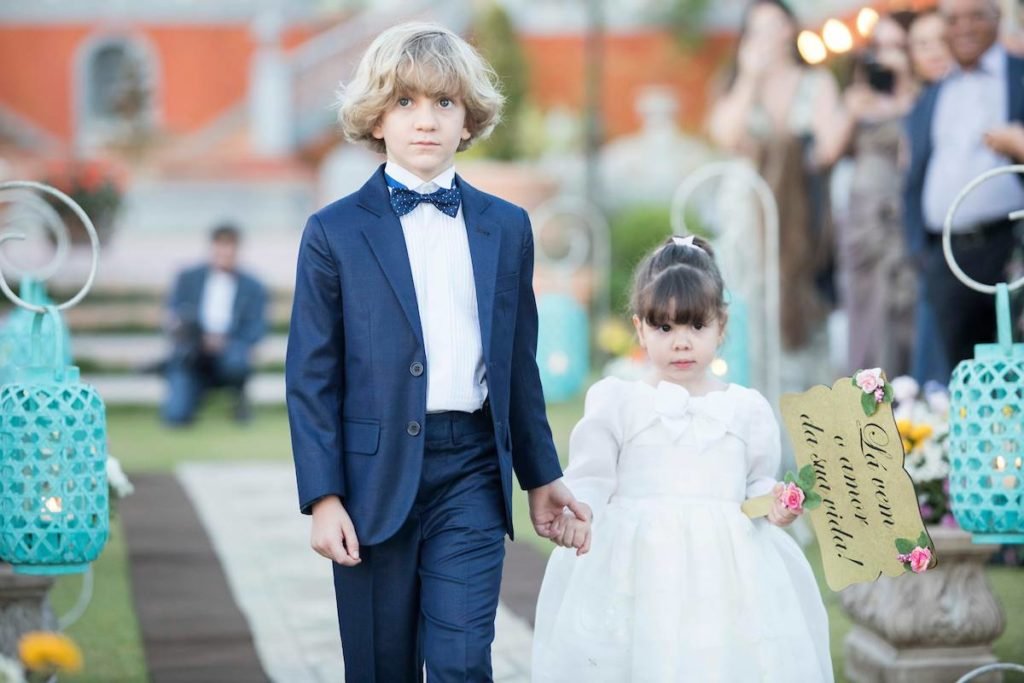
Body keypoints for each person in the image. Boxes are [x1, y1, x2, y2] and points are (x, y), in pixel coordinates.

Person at [285, 23, 588, 682]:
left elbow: (517, 366)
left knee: (460, 662)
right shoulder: (332, 233)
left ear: (468, 117)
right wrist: (325, 497)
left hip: (471, 471)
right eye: (406, 103)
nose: (426, 121)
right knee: (379, 666)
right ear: (377, 117)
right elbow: (311, 379)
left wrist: (541, 474)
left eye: (443, 104)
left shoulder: (507, 228)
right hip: (370, 484)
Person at [532, 235, 833, 682]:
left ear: (721, 326)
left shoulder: (745, 408)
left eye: (696, 326)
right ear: (639, 328)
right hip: (637, 569)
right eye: (664, 328)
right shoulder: (618, 400)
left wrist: (776, 502)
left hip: (724, 573)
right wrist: (581, 512)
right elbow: (593, 475)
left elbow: (755, 482)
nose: (681, 343)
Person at [709, 0, 848, 392]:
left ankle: (802, 409)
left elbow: (829, 148)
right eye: (757, 29)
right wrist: (750, 78)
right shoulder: (737, 83)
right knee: (746, 303)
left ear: (791, 29)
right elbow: (725, 135)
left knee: (800, 307)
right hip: (744, 215)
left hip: (800, 215)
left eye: (775, 26)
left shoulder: (815, 82)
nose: (768, 37)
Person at [904, 0, 1024, 369]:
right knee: (960, 371)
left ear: (996, 18)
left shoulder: (1018, 74)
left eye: (976, 16)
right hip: (947, 253)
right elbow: (917, 169)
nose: (965, 28)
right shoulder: (934, 91)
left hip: (1009, 244)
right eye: (954, 20)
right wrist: (918, 247)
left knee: (1015, 360)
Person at [837, 16, 919, 377]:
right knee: (864, 309)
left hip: (901, 209)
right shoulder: (858, 95)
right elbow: (827, 152)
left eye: (896, 47)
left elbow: (911, 154)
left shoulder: (919, 96)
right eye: (878, 48)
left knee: (903, 306)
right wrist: (855, 109)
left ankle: (906, 399)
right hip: (862, 217)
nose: (885, 57)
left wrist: (903, 87)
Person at [161, 223, 267, 425]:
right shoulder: (187, 278)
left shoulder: (254, 286)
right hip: (193, 350)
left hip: (232, 347)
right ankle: (188, 397)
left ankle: (238, 401)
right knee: (175, 417)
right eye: (220, 247)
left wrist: (226, 341)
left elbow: (257, 326)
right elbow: (173, 315)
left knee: (237, 362)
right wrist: (197, 336)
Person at [906, 10, 954, 385]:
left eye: (940, 40)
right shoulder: (918, 105)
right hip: (929, 248)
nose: (934, 52)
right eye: (922, 44)